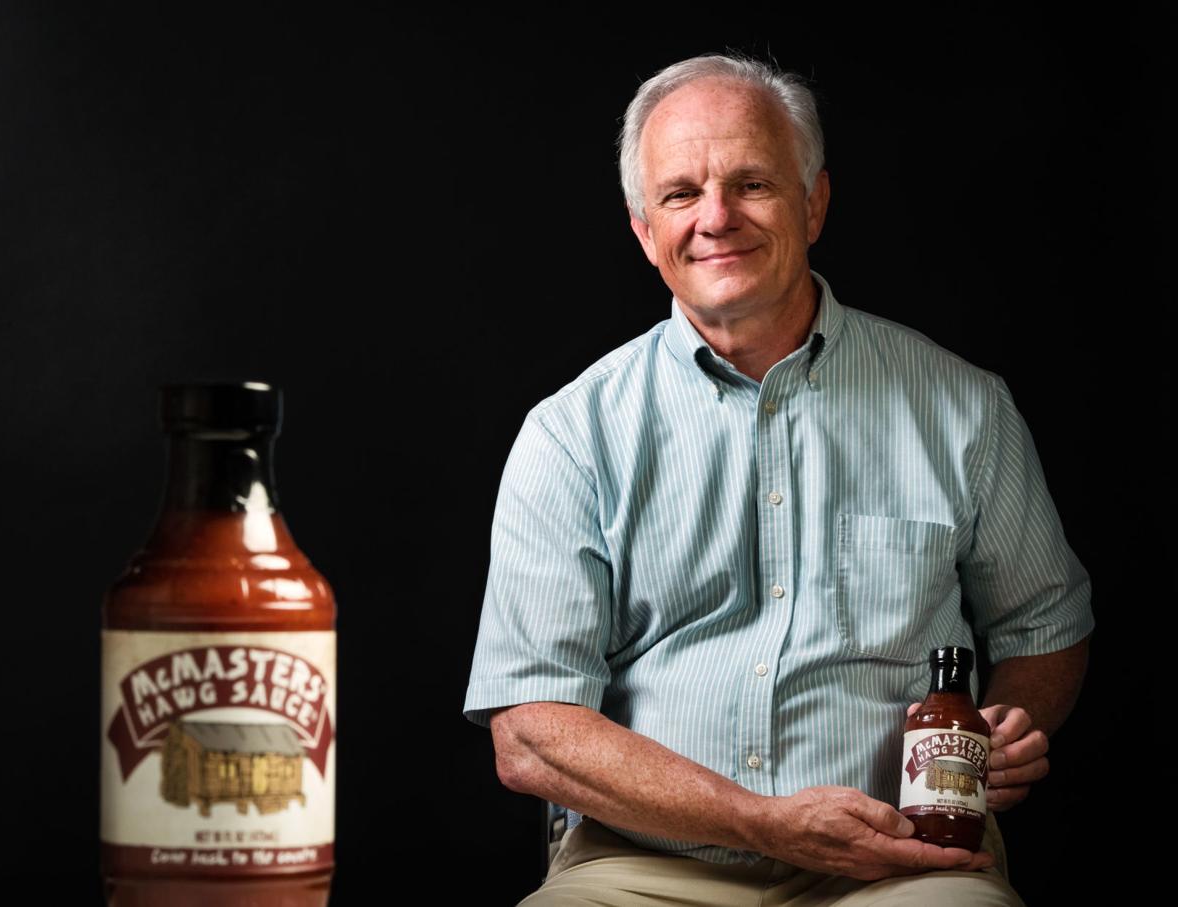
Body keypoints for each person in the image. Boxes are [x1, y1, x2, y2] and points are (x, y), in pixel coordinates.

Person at [463, 53, 1093, 905]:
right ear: (645, 231)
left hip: (903, 862)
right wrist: (759, 819)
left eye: (752, 183)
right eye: (680, 194)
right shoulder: (571, 434)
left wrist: (1010, 725)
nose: (716, 218)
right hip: (638, 866)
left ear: (814, 202)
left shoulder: (964, 408)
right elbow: (530, 731)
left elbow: (1045, 623)